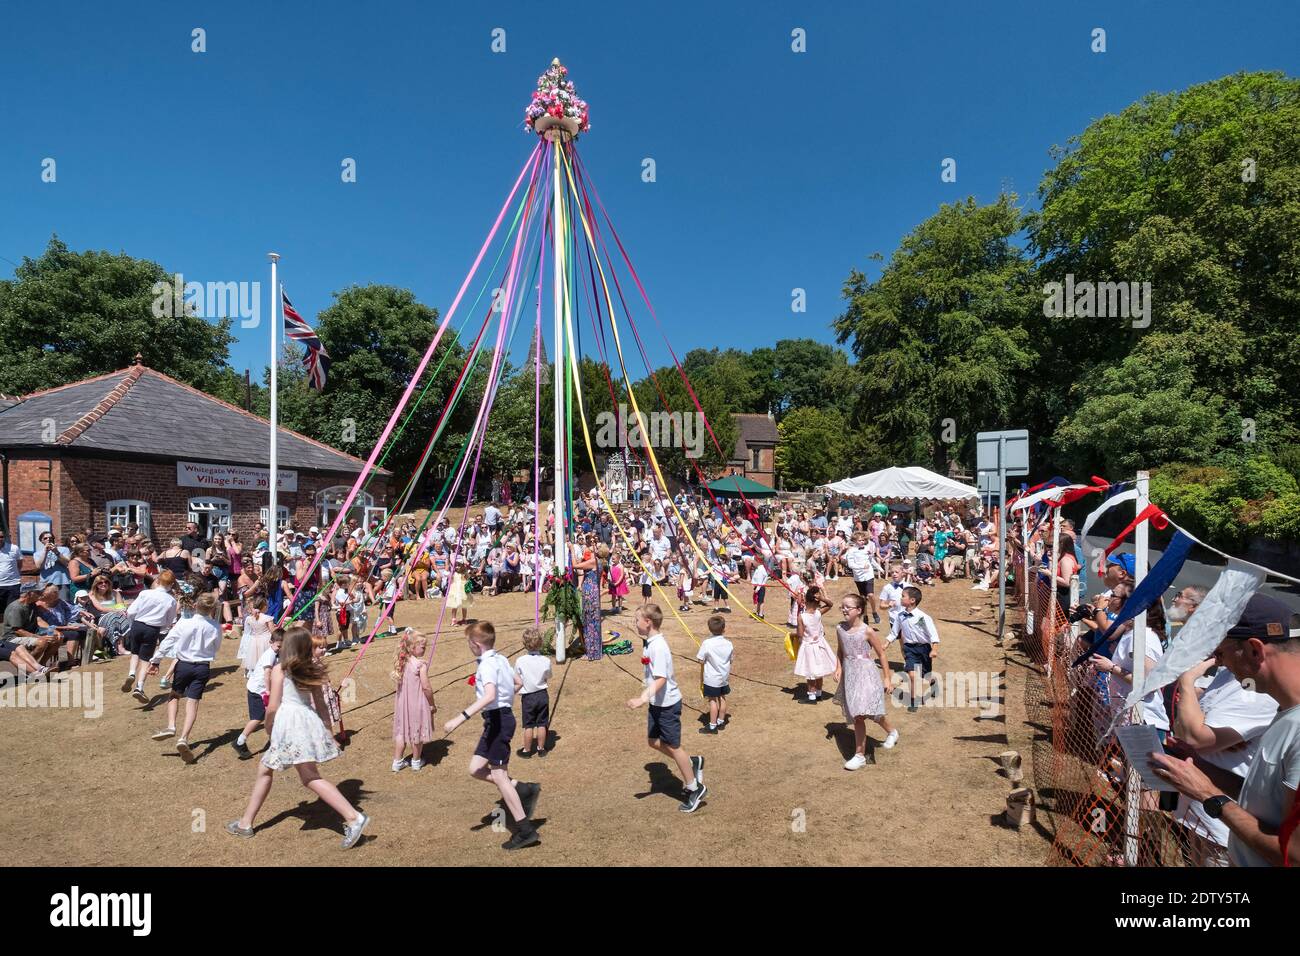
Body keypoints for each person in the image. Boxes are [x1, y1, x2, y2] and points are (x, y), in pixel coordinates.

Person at [1151, 594, 1300, 866]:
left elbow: (1293, 854)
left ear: (1255, 650)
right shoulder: (1285, 712)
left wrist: (1209, 795)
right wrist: (1198, 767)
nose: (1219, 663)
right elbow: (1267, 799)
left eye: (1221, 653)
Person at [226, 626, 370, 848]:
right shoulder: (311, 669)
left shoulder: (279, 670)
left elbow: (273, 706)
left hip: (289, 723)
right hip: (306, 720)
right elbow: (321, 706)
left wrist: (269, 726)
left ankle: (353, 817)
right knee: (267, 769)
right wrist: (327, 732)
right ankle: (246, 822)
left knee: (309, 776)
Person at [441, 621, 541, 850]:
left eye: (469, 643)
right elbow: (519, 682)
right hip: (497, 720)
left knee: (499, 776)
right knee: (476, 768)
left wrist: (459, 718)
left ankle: (525, 830)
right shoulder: (502, 659)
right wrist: (505, 699)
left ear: (476, 644)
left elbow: (488, 696)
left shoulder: (486, 665)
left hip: (498, 721)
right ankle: (523, 789)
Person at [626, 604, 707, 813]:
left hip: (667, 705)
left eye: (637, 620)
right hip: (657, 703)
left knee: (673, 746)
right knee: (653, 741)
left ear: (648, 622)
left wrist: (642, 698)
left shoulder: (658, 646)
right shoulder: (649, 643)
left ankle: (693, 788)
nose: (635, 623)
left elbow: (661, 679)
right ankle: (692, 762)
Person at [146, 592, 222, 763]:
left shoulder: (184, 624)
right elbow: (216, 647)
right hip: (202, 667)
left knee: (174, 695)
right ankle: (184, 738)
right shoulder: (216, 626)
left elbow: (167, 642)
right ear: (212, 609)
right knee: (193, 703)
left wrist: (155, 661)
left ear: (195, 605)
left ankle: (172, 726)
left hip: (183, 665)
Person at [834, 593, 898, 769]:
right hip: (850, 675)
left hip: (867, 674)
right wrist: (838, 667)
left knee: (864, 713)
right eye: (842, 606)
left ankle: (860, 755)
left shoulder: (867, 631)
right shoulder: (840, 628)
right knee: (860, 714)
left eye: (848, 606)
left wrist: (887, 678)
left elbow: (882, 654)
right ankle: (891, 732)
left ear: (859, 610)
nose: (844, 609)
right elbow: (840, 650)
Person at [121, 570, 179, 703]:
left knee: (135, 653)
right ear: (171, 584)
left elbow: (131, 611)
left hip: (138, 625)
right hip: (153, 629)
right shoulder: (171, 600)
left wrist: (132, 623)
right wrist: (163, 630)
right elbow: (169, 621)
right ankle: (139, 687)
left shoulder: (145, 593)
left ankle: (131, 673)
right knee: (145, 659)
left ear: (157, 581)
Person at [233, 628, 283, 760]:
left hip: (259, 690)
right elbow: (267, 674)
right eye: (278, 646)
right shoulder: (270, 655)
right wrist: (268, 691)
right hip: (257, 691)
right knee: (257, 718)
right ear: (271, 642)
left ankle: (275, 742)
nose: (280, 648)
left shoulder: (275, 653)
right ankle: (239, 741)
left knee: (271, 716)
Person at [392, 629, 436, 772]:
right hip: (417, 704)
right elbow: (426, 687)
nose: (425, 649)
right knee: (417, 731)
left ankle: (397, 762)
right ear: (412, 647)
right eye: (422, 646)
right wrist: (432, 704)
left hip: (402, 705)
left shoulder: (402, 661)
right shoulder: (420, 666)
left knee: (402, 732)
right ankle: (416, 761)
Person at [893, 586, 940, 713]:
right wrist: (886, 642)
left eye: (903, 596)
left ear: (912, 600)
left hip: (924, 649)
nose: (901, 598)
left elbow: (933, 635)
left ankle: (933, 683)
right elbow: (894, 632)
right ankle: (914, 701)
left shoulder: (923, 617)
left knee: (926, 675)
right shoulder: (900, 616)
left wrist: (934, 649)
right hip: (909, 649)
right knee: (912, 676)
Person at [514, 626, 553, 759]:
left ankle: (526, 750)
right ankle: (541, 749)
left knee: (529, 725)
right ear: (541, 643)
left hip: (528, 697)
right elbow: (548, 675)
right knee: (542, 723)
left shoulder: (520, 661)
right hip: (542, 695)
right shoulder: (546, 660)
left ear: (525, 644)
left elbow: (517, 676)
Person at [794, 585, 837, 704]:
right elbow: (830, 604)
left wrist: (794, 635)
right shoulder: (818, 613)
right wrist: (822, 598)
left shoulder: (801, 617)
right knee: (819, 670)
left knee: (810, 672)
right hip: (820, 644)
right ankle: (818, 694)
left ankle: (812, 697)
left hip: (809, 646)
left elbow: (800, 635)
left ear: (806, 600)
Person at [1, 582, 52, 677]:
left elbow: (38, 620)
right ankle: (28, 670)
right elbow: (18, 630)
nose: (41, 594)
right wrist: (39, 637)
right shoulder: (16, 607)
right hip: (12, 638)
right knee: (42, 642)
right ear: (29, 594)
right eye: (38, 592)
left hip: (29, 633)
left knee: (56, 637)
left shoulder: (31, 604)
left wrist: (51, 631)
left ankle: (41, 667)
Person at [696, 615, 734, 735]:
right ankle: (721, 721)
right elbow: (731, 659)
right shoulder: (728, 643)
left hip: (712, 679)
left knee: (712, 700)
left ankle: (712, 726)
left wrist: (705, 661)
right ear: (724, 629)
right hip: (724, 678)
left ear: (709, 629)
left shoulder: (707, 643)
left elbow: (700, 660)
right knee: (722, 697)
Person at [844, 534, 882, 624]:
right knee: (863, 598)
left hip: (869, 574)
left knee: (871, 595)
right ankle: (865, 616)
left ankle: (874, 612)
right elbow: (850, 565)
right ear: (855, 541)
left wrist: (880, 568)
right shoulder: (851, 551)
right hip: (858, 576)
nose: (861, 542)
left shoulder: (867, 548)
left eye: (863, 540)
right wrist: (861, 567)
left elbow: (871, 560)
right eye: (859, 540)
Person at [0, 527, 23, 612]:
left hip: (13, 584)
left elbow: (19, 564)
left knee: (12, 610)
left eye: (1, 537)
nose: (0, 539)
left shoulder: (14, 548)